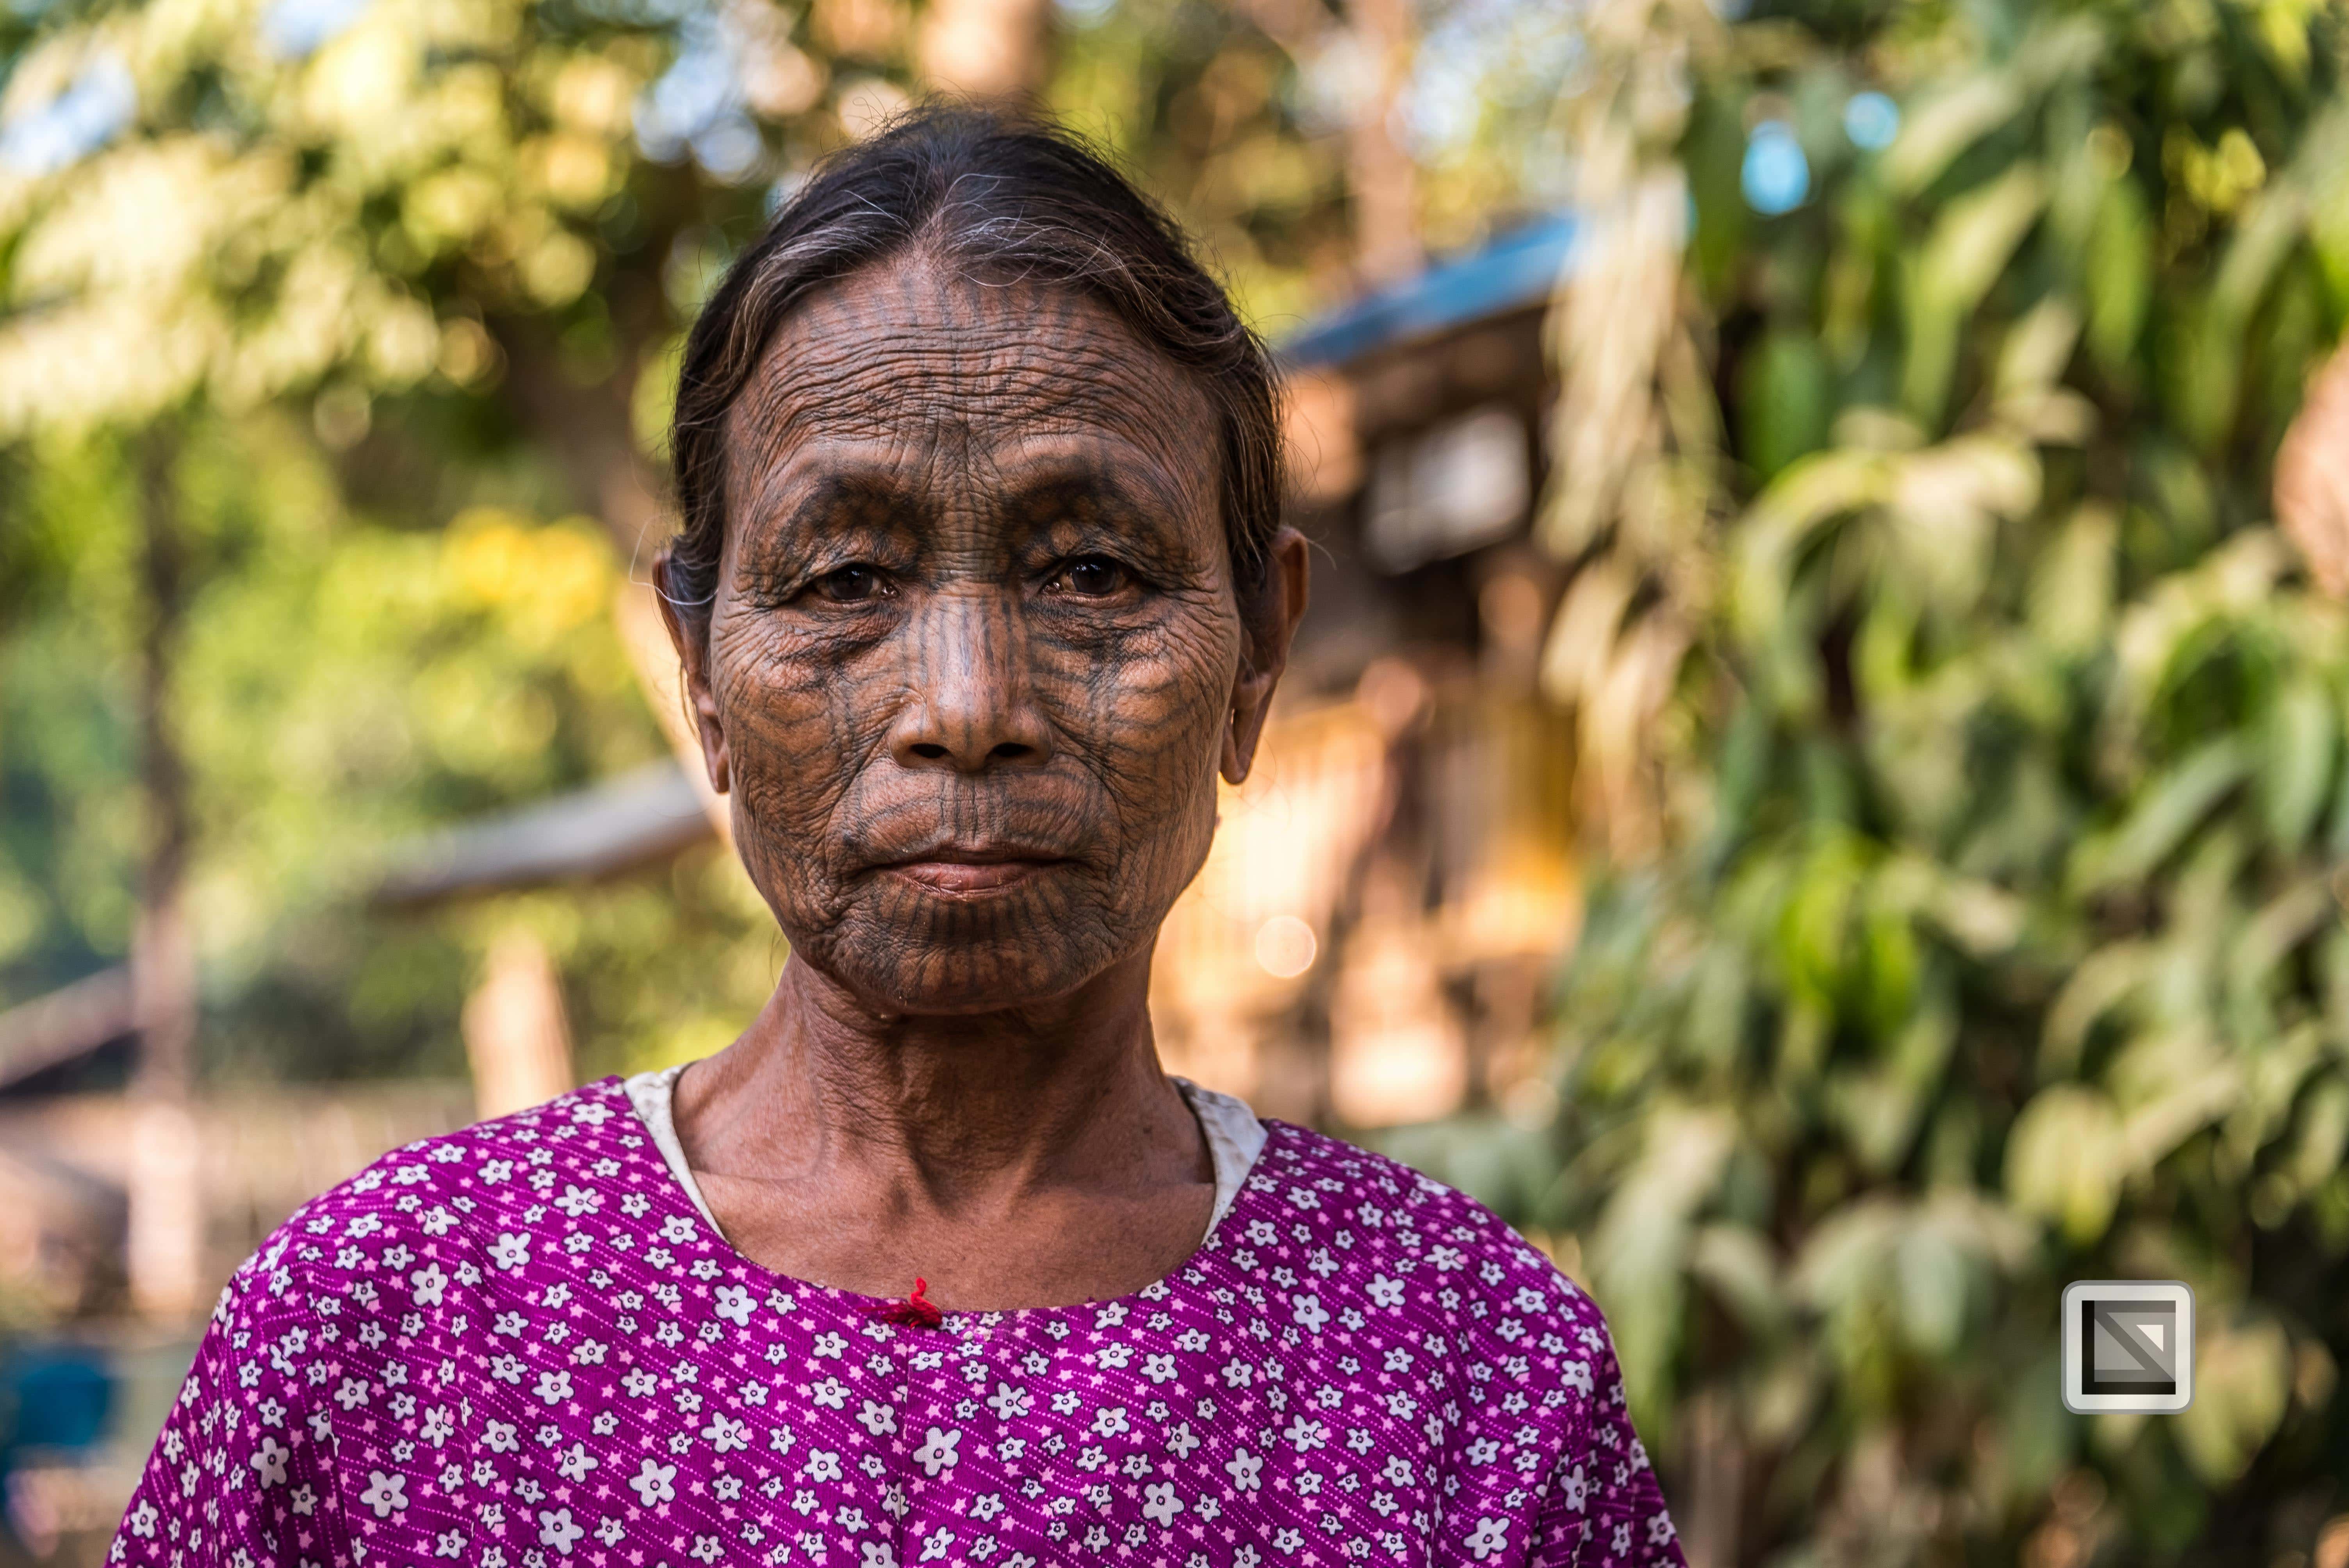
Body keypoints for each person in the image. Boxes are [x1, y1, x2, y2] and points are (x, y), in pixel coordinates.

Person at [110, 108, 1681, 1568]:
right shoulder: (389, 1328)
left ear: (1256, 657)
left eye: (1092, 573)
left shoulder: (1466, 1373)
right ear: (701, 672)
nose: (966, 704)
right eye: (845, 579)